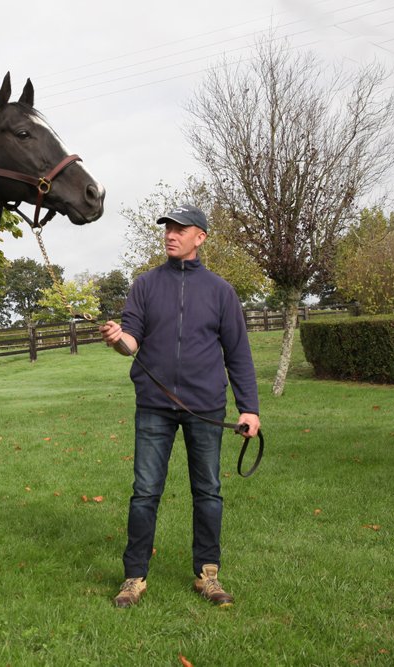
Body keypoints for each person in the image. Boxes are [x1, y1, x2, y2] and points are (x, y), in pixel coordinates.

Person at [99, 204, 260, 609]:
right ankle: (134, 577)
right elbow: (131, 342)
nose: (170, 234)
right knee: (145, 492)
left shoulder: (221, 292)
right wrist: (119, 339)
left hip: (205, 408)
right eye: (167, 228)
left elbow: (238, 354)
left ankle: (208, 575)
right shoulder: (145, 285)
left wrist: (249, 408)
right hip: (154, 406)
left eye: (180, 229)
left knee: (208, 491)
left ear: (200, 237)